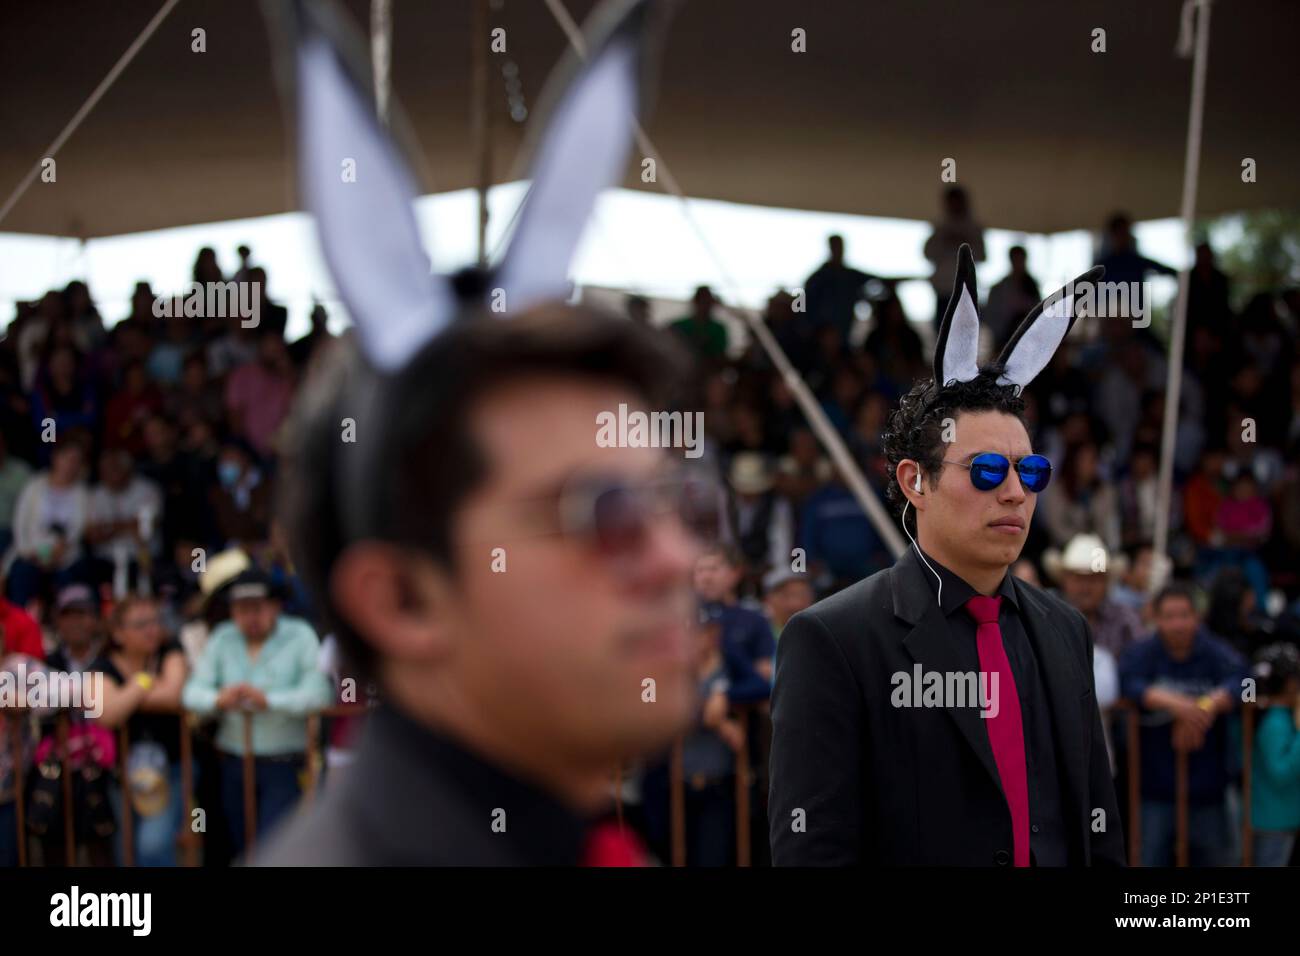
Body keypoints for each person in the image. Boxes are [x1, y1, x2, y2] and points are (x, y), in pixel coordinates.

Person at [770, 246, 1123, 865]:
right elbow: (814, 852)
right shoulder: (833, 640)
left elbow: (1098, 833)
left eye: (1030, 470)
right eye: (986, 471)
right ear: (916, 482)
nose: (1014, 491)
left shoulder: (1066, 630)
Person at [181, 568, 332, 856]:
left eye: (258, 608)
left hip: (283, 762)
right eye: (241, 609)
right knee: (241, 846)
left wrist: (270, 701)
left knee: (273, 844)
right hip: (233, 761)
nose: (250, 617)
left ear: (275, 606)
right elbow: (191, 693)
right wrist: (218, 699)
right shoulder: (223, 637)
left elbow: (319, 694)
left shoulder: (300, 635)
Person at [1118, 583, 1247, 867]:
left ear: (1197, 617)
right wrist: (1177, 705)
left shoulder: (1215, 650)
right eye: (1169, 616)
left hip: (1207, 789)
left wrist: (1205, 707)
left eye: (1184, 615)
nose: (1178, 624)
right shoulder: (1143, 652)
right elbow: (1126, 682)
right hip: (1154, 788)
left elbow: (1245, 682)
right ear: (1156, 619)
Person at [94, 595, 188, 866]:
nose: (152, 629)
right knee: (127, 850)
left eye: (155, 621)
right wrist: (145, 682)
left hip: (171, 768)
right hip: (121, 773)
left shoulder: (170, 649)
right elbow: (105, 714)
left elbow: (173, 695)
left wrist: (123, 696)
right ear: (118, 633)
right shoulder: (103, 664)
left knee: (154, 845)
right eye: (141, 624)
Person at [1248, 643, 1300, 866]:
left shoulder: (1274, 716)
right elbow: (1280, 772)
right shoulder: (1275, 722)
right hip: (1273, 822)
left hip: (1281, 819)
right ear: (1289, 683)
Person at [923, 186, 985, 331]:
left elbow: (982, 256)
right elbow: (928, 253)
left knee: (964, 334)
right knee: (942, 334)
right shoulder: (940, 228)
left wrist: (964, 242)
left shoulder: (973, 228)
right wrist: (945, 239)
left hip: (966, 292)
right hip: (943, 291)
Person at [804, 235, 875, 348]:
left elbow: (875, 280)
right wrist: (804, 325)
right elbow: (800, 300)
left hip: (844, 337)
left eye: (840, 246)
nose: (839, 250)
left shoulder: (851, 276)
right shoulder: (818, 278)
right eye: (836, 246)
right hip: (819, 339)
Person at [983, 246, 1041, 351]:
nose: (1018, 263)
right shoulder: (999, 289)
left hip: (1027, 338)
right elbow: (991, 317)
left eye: (1020, 260)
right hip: (1006, 339)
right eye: (1016, 260)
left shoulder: (1032, 286)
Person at [668, 286, 728, 360]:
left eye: (708, 302)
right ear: (696, 301)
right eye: (703, 301)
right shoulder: (679, 326)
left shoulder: (718, 329)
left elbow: (720, 356)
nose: (706, 305)